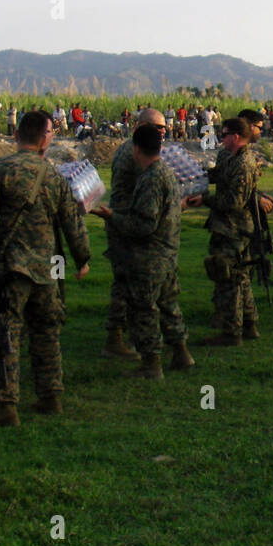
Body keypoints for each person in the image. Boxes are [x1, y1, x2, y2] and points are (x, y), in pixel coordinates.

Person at [0, 110, 90, 424]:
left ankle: (7, 404)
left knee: (6, 334)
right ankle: (50, 396)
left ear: (16, 135)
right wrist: (82, 259)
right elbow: (72, 224)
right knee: (46, 332)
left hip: (10, 268)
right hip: (49, 269)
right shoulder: (54, 176)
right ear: (45, 138)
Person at [90, 123, 197, 378]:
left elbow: (144, 225)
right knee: (169, 305)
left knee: (145, 309)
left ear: (136, 149)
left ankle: (151, 364)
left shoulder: (150, 179)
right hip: (167, 252)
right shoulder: (166, 173)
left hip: (150, 257)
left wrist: (111, 216)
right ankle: (182, 353)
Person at [102, 107, 166, 359]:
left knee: (129, 280)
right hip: (125, 222)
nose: (162, 133)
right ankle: (114, 338)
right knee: (125, 281)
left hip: (126, 219)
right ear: (141, 126)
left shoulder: (131, 148)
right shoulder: (135, 153)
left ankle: (128, 333)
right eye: (157, 128)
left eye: (163, 129)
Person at [197, 117, 268, 345]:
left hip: (234, 229)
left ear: (236, 137)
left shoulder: (245, 163)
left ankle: (231, 331)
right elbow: (218, 176)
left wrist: (205, 199)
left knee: (229, 278)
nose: (221, 138)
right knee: (240, 277)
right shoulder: (230, 157)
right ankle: (249, 324)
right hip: (227, 227)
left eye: (225, 134)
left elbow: (234, 201)